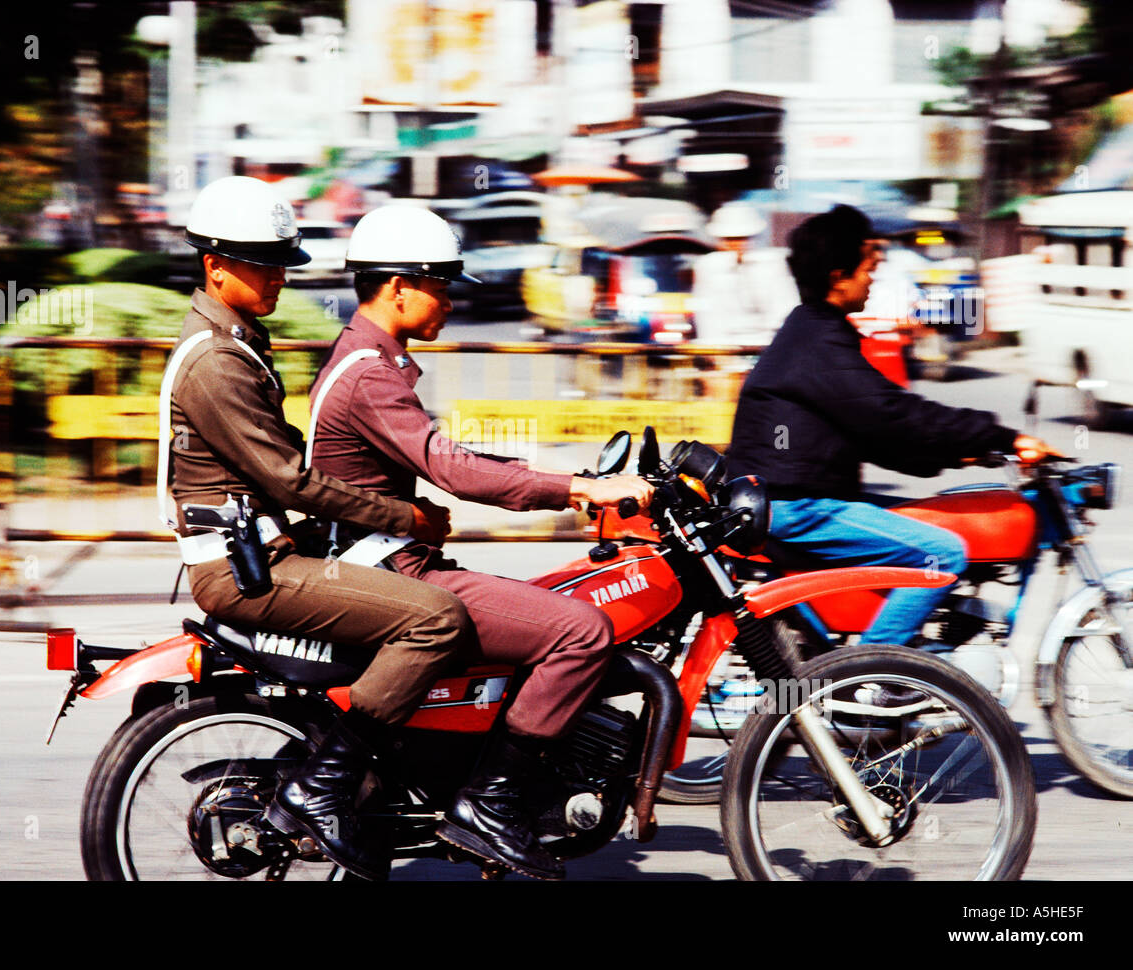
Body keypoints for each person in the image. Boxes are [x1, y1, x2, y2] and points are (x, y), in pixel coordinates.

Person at [306, 204, 655, 880]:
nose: (449, 300)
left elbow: (448, 460)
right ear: (398, 287)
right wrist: (580, 488)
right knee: (581, 631)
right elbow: (455, 468)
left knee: (539, 605)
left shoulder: (367, 361)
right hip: (393, 577)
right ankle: (490, 805)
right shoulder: (370, 376)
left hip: (385, 564)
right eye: (439, 283)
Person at [163, 176, 477, 881]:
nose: (276, 278)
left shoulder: (236, 342)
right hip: (246, 573)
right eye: (261, 264)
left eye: (280, 263)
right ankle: (322, 788)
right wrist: (408, 516)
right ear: (215, 266)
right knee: (437, 619)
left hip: (263, 551)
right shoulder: (216, 362)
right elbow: (289, 481)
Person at [724, 204, 1056, 648]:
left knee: (924, 514)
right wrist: (1005, 436)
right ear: (839, 276)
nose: (873, 279)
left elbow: (875, 430)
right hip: (797, 505)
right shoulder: (818, 343)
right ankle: (877, 673)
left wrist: (961, 452)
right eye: (869, 269)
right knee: (943, 551)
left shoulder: (815, 334)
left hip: (793, 495)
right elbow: (894, 414)